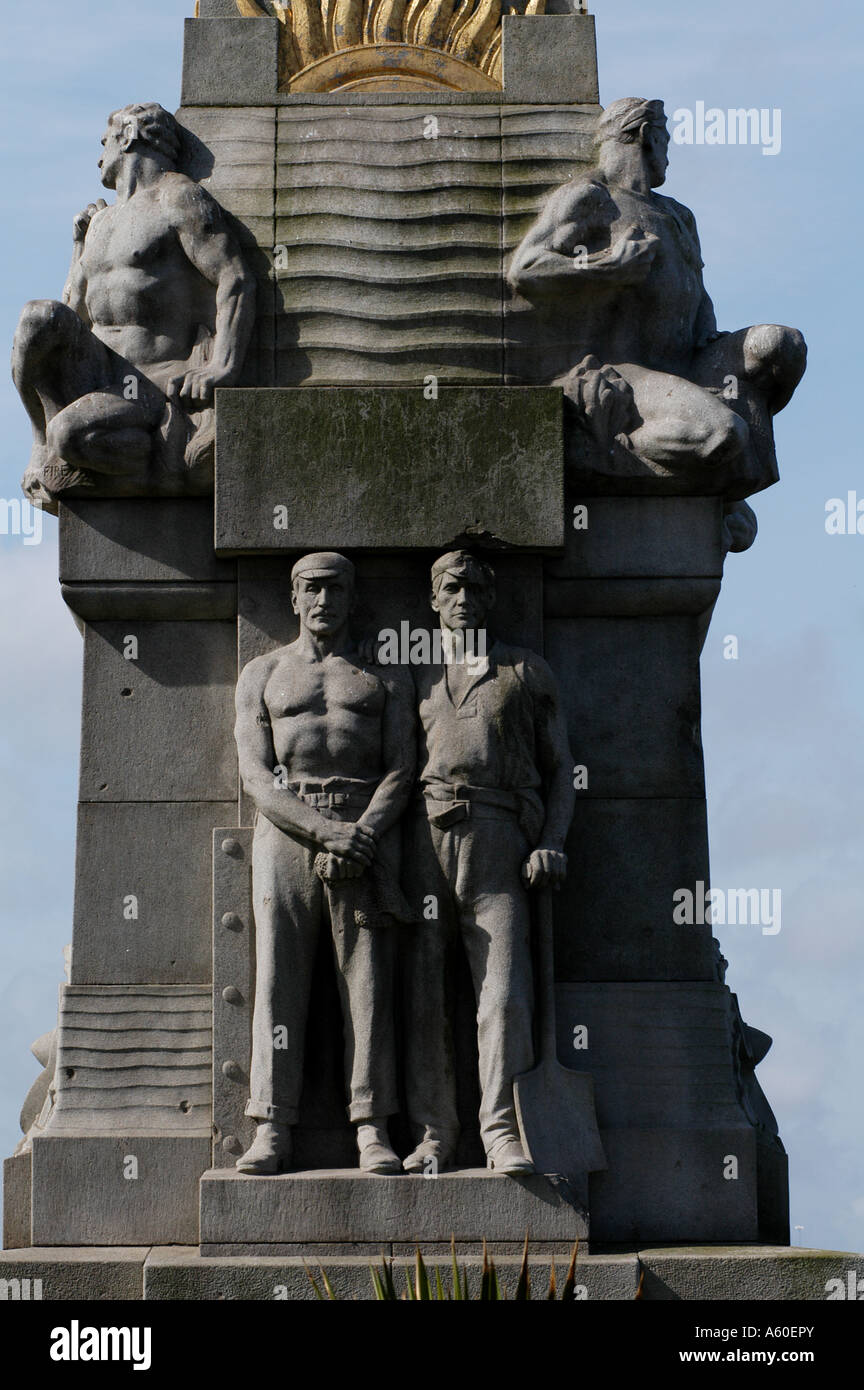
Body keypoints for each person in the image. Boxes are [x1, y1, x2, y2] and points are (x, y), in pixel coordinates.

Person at [507, 97, 805, 491]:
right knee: (721, 434)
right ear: (647, 137)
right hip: (627, 370)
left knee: (781, 343)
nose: (668, 156)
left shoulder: (679, 215)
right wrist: (604, 267)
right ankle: (608, 448)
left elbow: (697, 293)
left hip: (691, 360)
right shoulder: (592, 197)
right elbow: (524, 267)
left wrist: (711, 340)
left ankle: (734, 450)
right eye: (666, 141)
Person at [233, 553, 415, 1175]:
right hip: (287, 828)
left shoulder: (384, 677)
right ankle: (272, 1125)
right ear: (293, 597)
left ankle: (371, 1125)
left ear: (352, 596)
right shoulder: (262, 673)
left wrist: (359, 834)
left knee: (366, 984)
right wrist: (319, 831)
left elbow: (401, 768)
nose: (323, 599)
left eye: (336, 587)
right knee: (278, 979)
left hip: (364, 828)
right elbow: (254, 773)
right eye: (311, 587)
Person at [402, 551, 575, 1176]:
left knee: (503, 996)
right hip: (425, 842)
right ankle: (435, 1134)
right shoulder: (415, 676)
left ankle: (501, 1131)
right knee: (426, 992)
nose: (464, 595)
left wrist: (551, 840)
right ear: (434, 600)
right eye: (451, 586)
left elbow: (563, 774)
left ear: (492, 595)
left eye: (476, 584)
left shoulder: (527, 671)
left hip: (502, 840)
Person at [12, 102, 255, 505]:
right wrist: (78, 245)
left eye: (104, 143)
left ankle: (153, 464)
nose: (99, 155)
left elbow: (235, 277)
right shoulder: (102, 221)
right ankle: (41, 445)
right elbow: (73, 312)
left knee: (70, 434)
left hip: (149, 382)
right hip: (94, 373)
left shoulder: (178, 198)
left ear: (127, 136)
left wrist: (221, 367)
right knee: (38, 317)